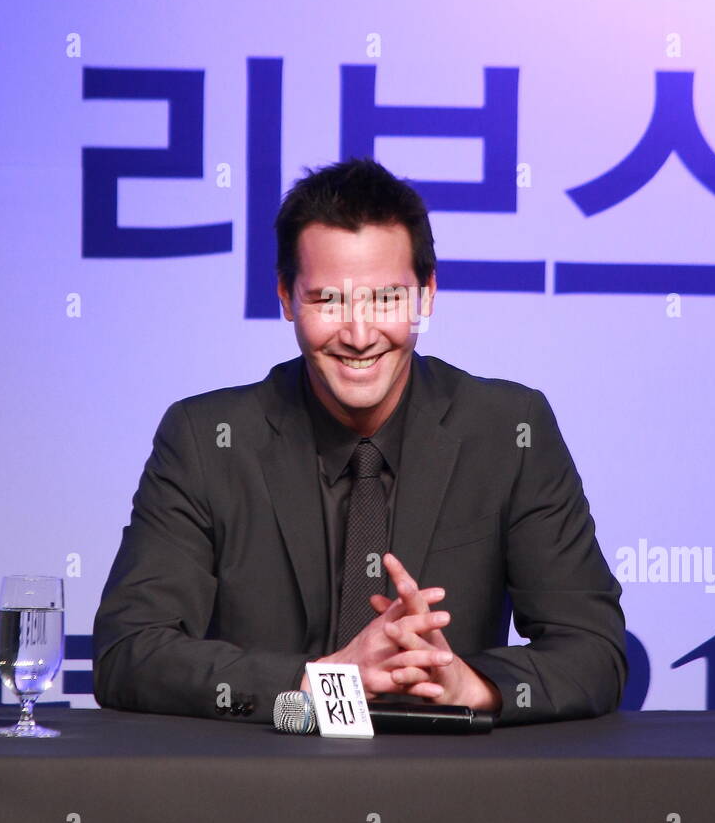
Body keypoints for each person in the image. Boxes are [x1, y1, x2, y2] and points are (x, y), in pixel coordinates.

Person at [93, 157, 627, 725]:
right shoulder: (206, 441)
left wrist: (471, 686)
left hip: (448, 795)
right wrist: (322, 685)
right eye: (328, 300)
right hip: (256, 792)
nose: (359, 333)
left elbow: (595, 653)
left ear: (426, 296)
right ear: (285, 298)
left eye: (386, 298)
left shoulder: (509, 431)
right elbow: (128, 652)